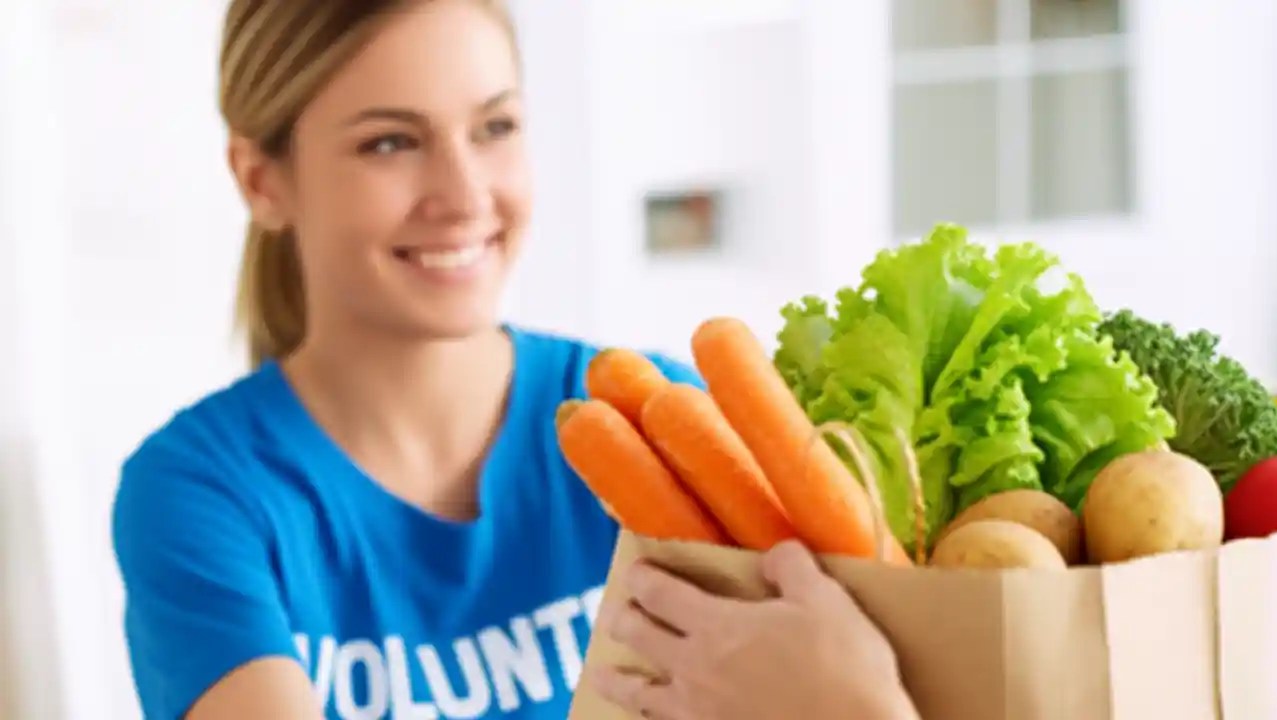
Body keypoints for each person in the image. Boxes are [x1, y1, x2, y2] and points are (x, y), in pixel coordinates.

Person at [110, 1, 920, 719]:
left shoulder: (657, 421)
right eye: (390, 143)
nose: (464, 195)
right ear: (262, 181)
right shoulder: (203, 495)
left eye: (495, 128)